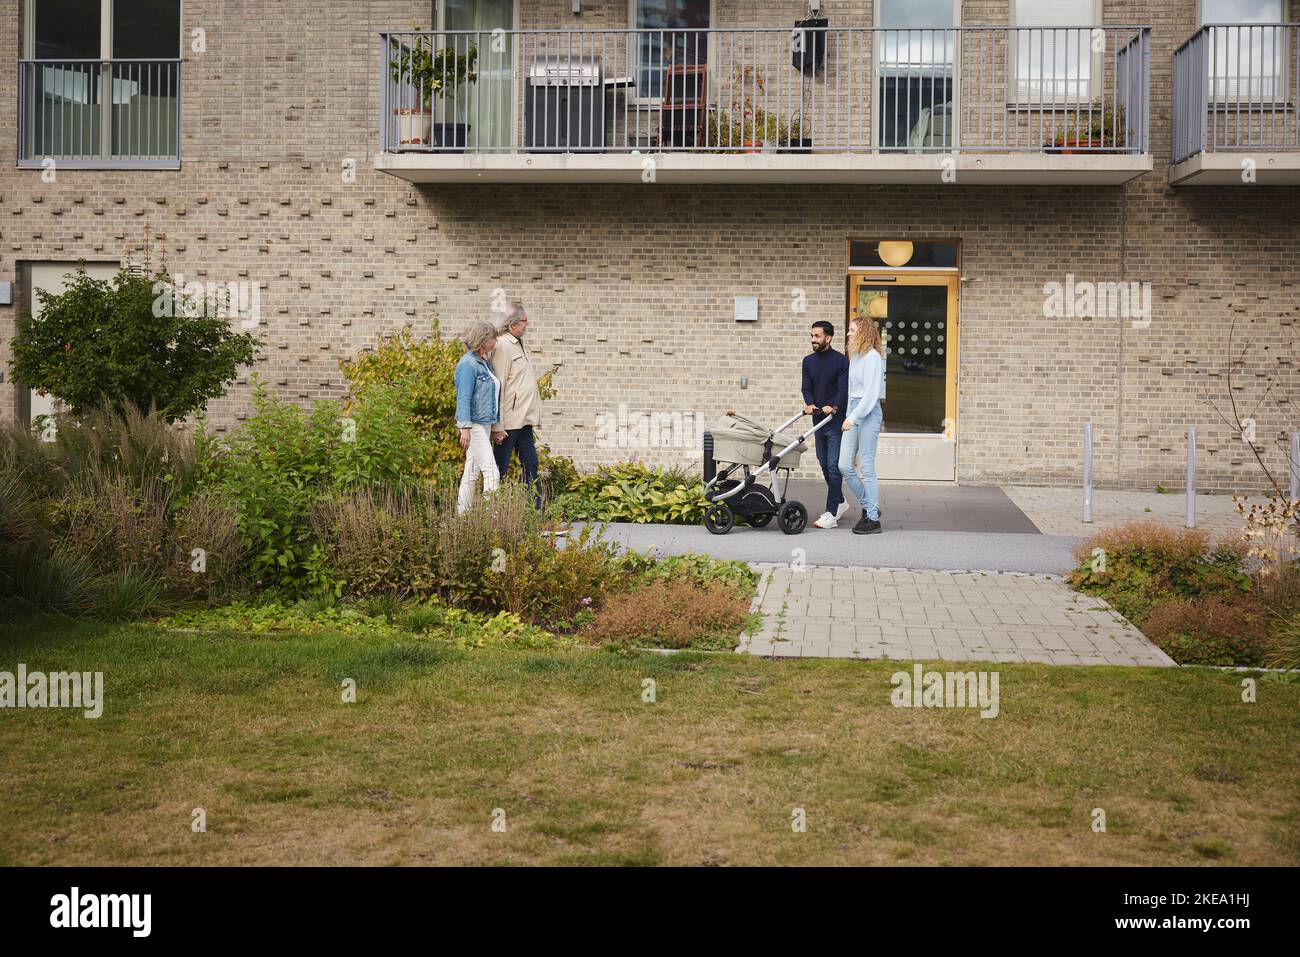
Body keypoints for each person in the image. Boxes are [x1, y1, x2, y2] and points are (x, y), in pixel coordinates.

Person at [490, 303, 543, 508]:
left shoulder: (517, 343)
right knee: (499, 467)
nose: (526, 325)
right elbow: (499, 384)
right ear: (513, 324)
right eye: (524, 321)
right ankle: (490, 512)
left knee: (531, 465)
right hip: (509, 421)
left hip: (523, 420)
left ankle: (534, 514)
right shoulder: (503, 346)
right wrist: (498, 425)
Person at [838, 315, 885, 535]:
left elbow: (871, 395)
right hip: (854, 411)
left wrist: (853, 417)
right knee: (844, 465)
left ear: (863, 332)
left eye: (851, 330)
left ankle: (873, 520)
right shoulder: (855, 356)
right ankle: (870, 506)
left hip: (868, 413)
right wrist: (849, 414)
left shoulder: (873, 357)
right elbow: (852, 392)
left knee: (866, 467)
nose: (848, 333)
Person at [801, 320, 850, 529]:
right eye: (812, 336)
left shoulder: (841, 362)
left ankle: (831, 513)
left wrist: (835, 406)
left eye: (817, 336)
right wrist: (810, 404)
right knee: (823, 463)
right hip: (818, 420)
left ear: (828, 338)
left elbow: (843, 389)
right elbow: (806, 387)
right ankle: (839, 500)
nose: (813, 339)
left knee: (833, 465)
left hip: (835, 420)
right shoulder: (808, 361)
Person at [453, 321, 502, 515]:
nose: (496, 341)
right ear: (482, 340)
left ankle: (462, 516)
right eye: (493, 337)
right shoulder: (468, 364)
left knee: (471, 472)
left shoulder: (484, 363)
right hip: (473, 425)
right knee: (491, 472)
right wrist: (464, 427)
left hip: (485, 423)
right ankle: (492, 520)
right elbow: (463, 397)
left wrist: (497, 425)